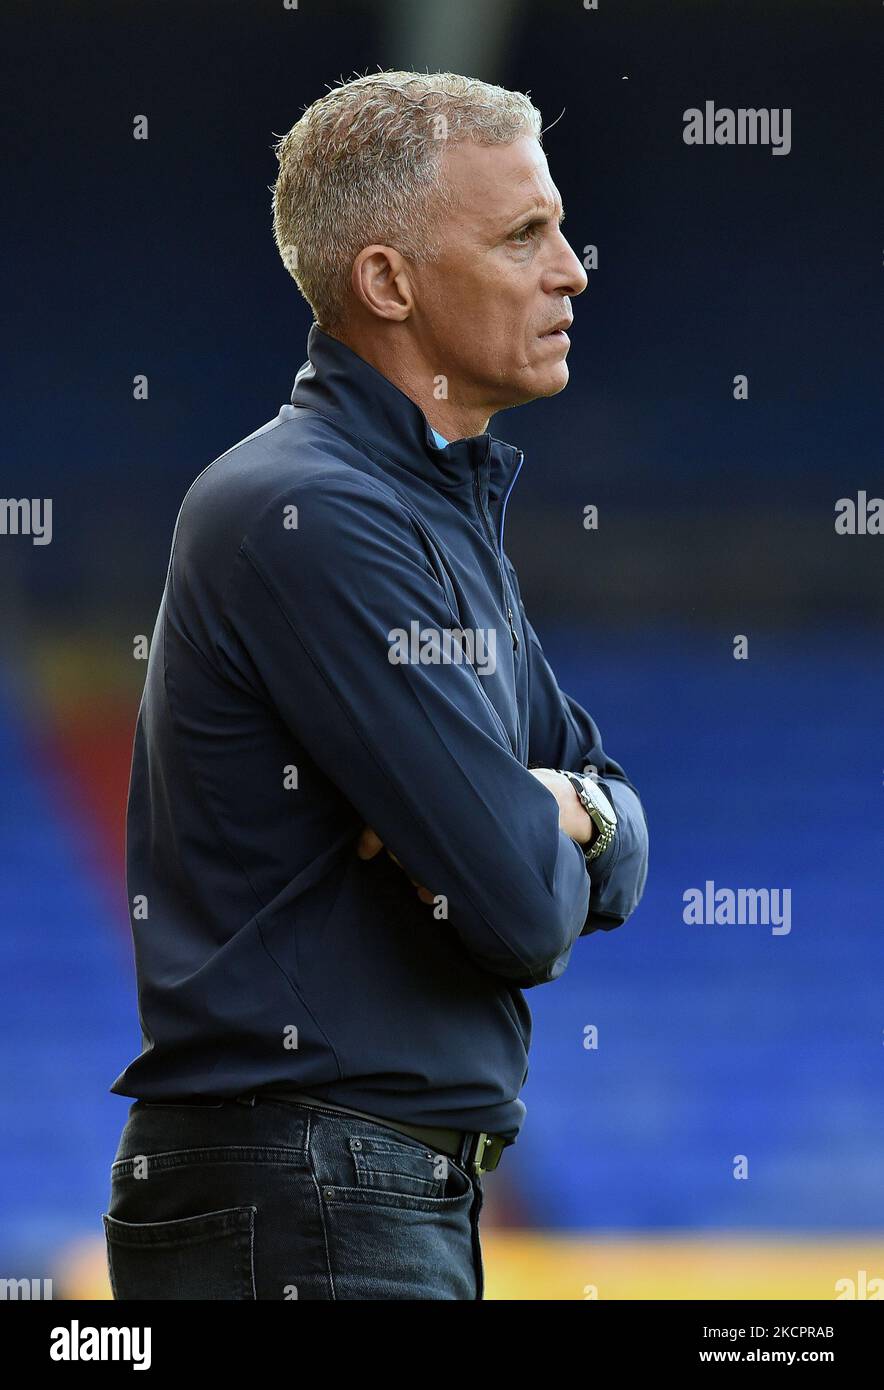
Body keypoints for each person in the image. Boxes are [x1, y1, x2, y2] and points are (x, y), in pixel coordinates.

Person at [103, 70, 649, 1301]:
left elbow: (611, 826)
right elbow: (516, 906)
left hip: (349, 1195)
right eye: (524, 235)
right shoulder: (317, 516)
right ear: (388, 282)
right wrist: (540, 818)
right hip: (309, 1198)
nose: (572, 270)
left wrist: (562, 805)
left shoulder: (424, 511)